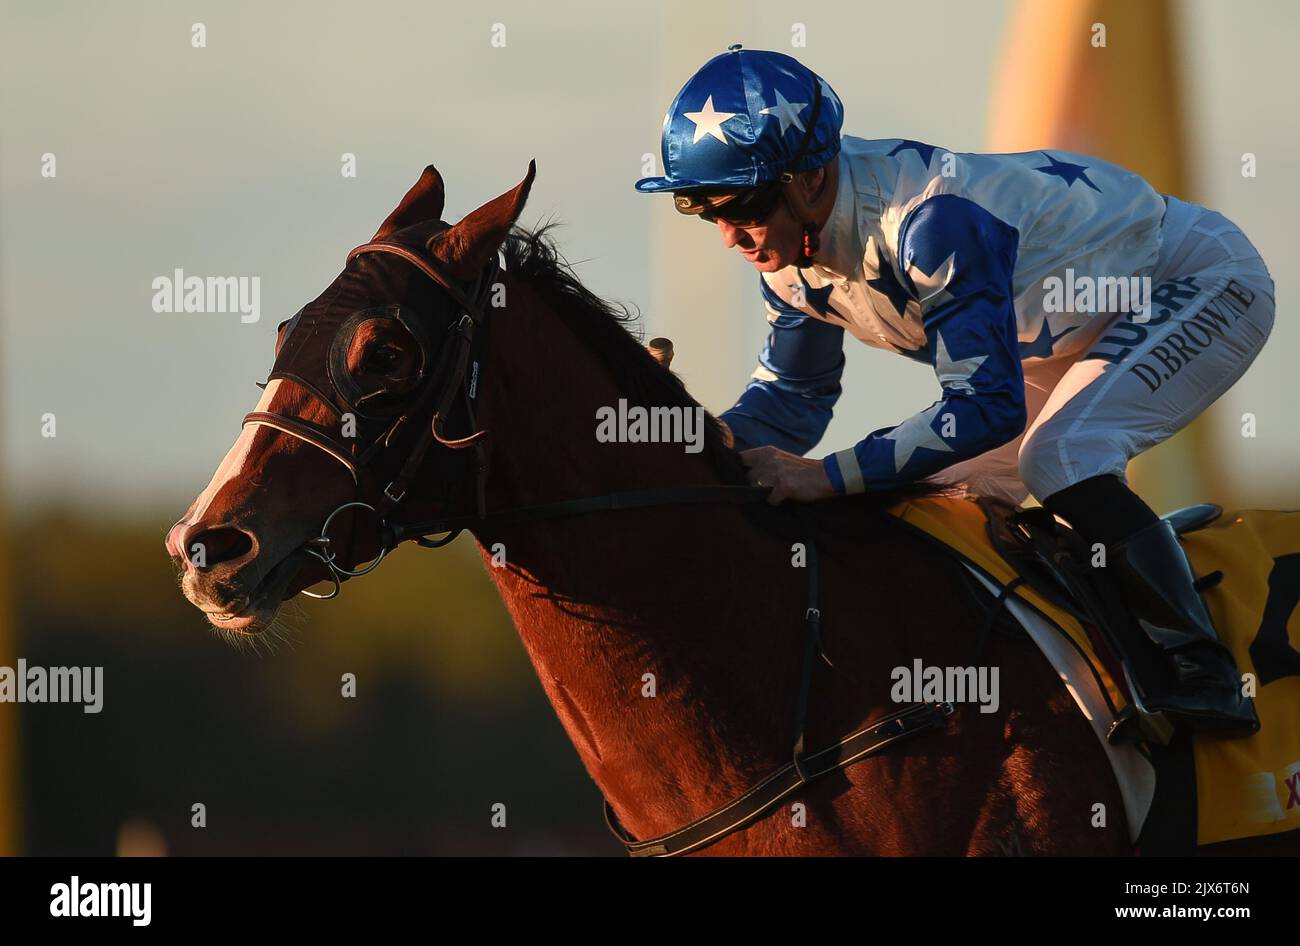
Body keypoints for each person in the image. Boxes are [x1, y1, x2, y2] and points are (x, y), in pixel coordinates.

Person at [634, 45, 1275, 738]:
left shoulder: (933, 223)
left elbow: (983, 408)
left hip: (1193, 284)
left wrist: (827, 476)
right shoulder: (790, 262)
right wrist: (696, 442)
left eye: (744, 207)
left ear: (811, 179)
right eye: (703, 211)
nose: (729, 236)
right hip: (1050, 344)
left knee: (1062, 456)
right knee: (925, 509)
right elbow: (792, 401)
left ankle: (1203, 674)